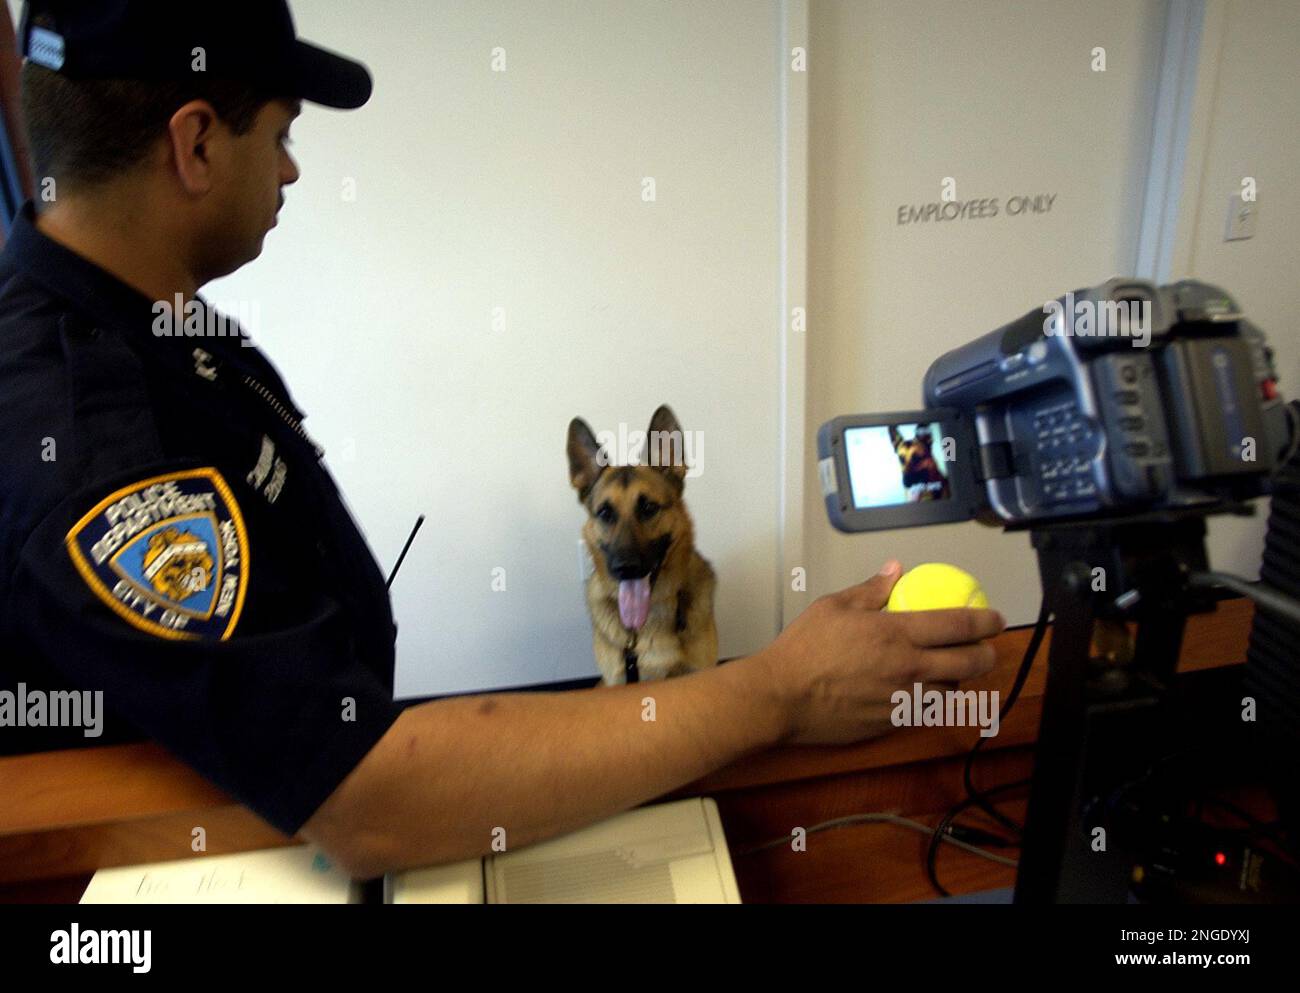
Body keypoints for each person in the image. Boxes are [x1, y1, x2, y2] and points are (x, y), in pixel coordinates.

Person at [0, 0, 1003, 879]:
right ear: (197, 143)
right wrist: (783, 688)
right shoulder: (91, 437)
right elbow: (364, 796)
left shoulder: (164, 332)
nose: (294, 165)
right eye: (282, 130)